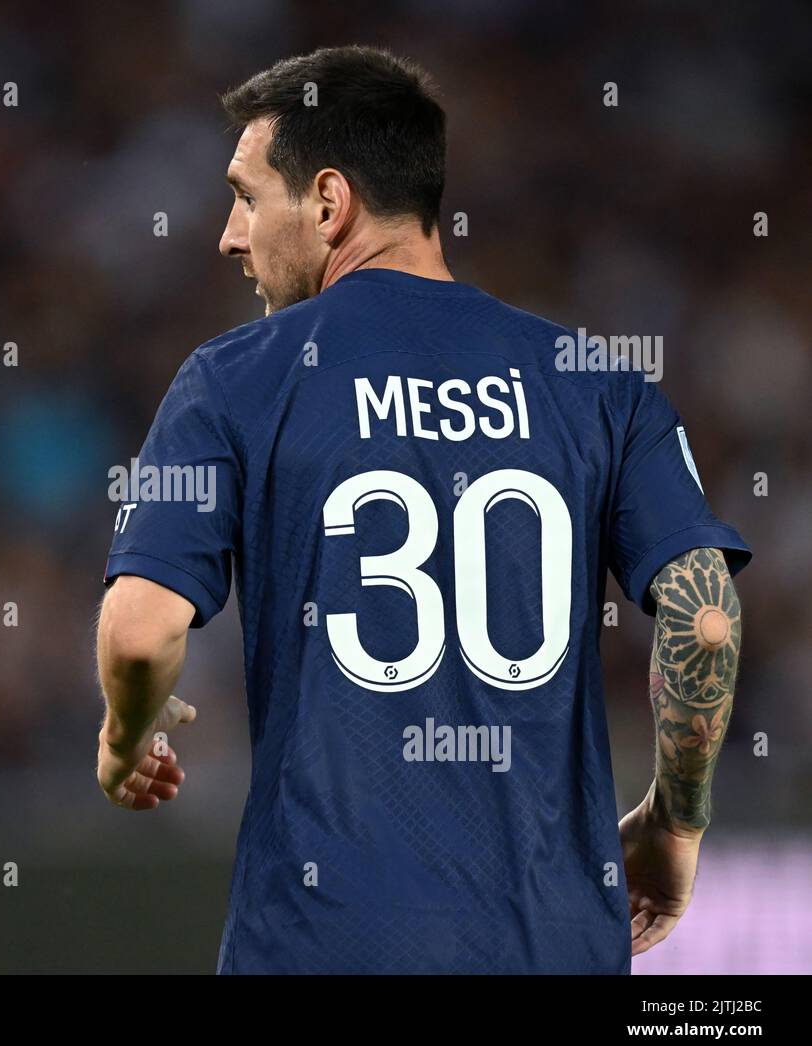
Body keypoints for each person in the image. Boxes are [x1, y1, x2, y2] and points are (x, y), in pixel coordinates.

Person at [94, 45, 750, 974]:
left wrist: (125, 741)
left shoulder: (231, 381)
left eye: (245, 196)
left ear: (328, 203)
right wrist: (676, 825)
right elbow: (707, 620)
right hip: (551, 942)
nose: (228, 237)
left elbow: (136, 636)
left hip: (322, 941)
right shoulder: (600, 386)